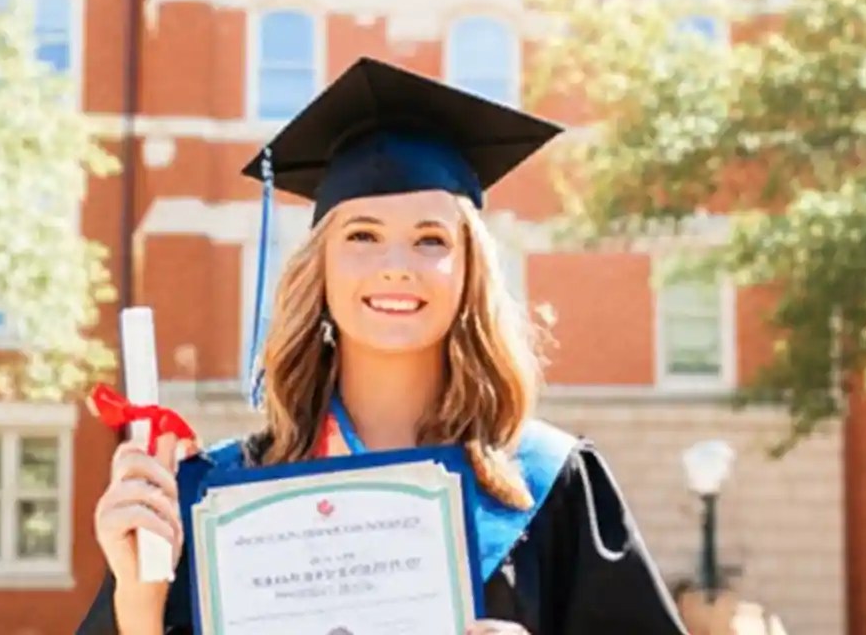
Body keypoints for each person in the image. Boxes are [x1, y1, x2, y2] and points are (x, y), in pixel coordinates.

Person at [76, 57, 689, 635]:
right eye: (363, 235)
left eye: (431, 240)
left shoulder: (551, 486)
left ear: (470, 271)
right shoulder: (214, 500)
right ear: (319, 270)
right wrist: (139, 605)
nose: (396, 266)